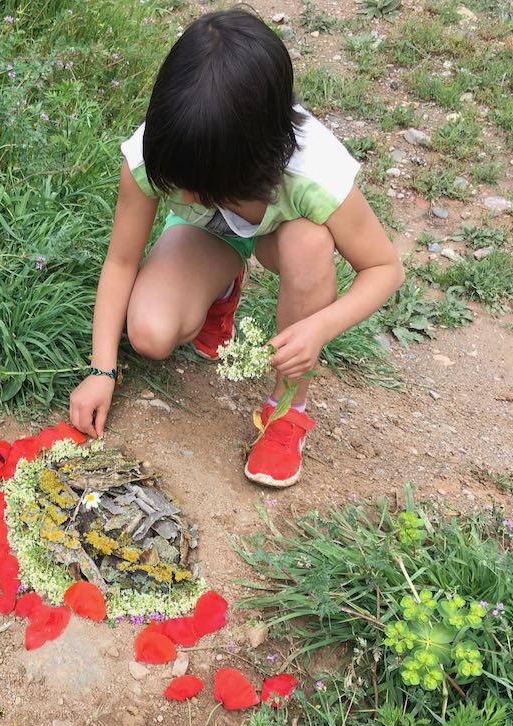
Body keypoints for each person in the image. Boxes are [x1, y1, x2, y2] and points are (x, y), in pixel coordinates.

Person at [68, 7, 404, 488]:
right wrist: (103, 369)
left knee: (309, 243)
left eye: (197, 189)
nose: (181, 197)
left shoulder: (314, 172)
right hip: (211, 236)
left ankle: (287, 409)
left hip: (280, 238)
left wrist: (317, 329)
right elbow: (121, 261)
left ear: (253, 166)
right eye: (177, 184)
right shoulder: (161, 151)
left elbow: (385, 268)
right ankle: (222, 285)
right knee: (149, 333)